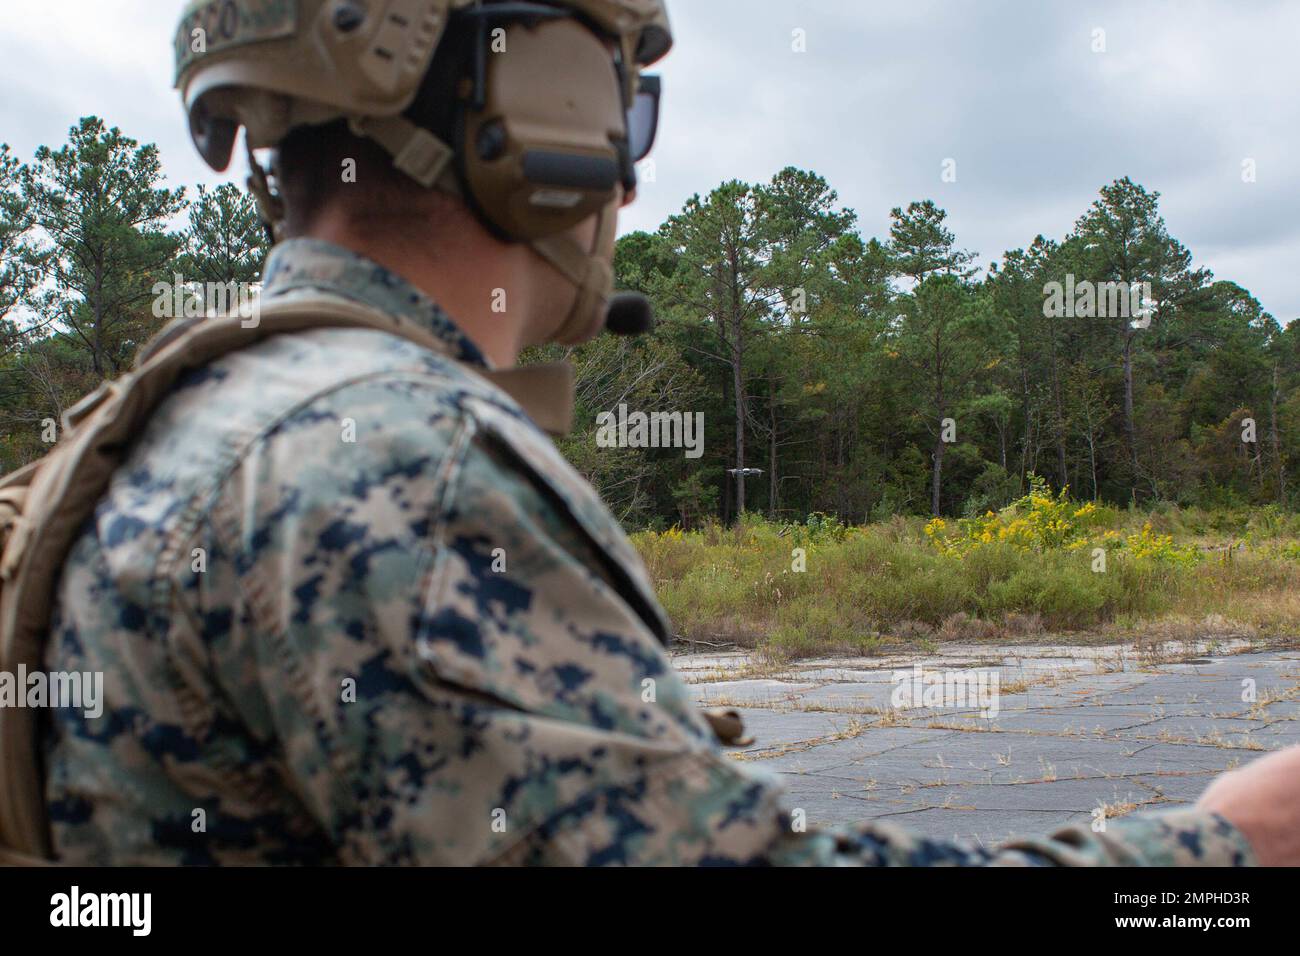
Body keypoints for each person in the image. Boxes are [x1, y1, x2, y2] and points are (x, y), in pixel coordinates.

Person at [32, 0, 1299, 865]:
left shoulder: (165, 423)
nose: (630, 180)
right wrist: (1213, 849)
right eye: (625, 108)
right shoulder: (401, 467)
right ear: (534, 103)